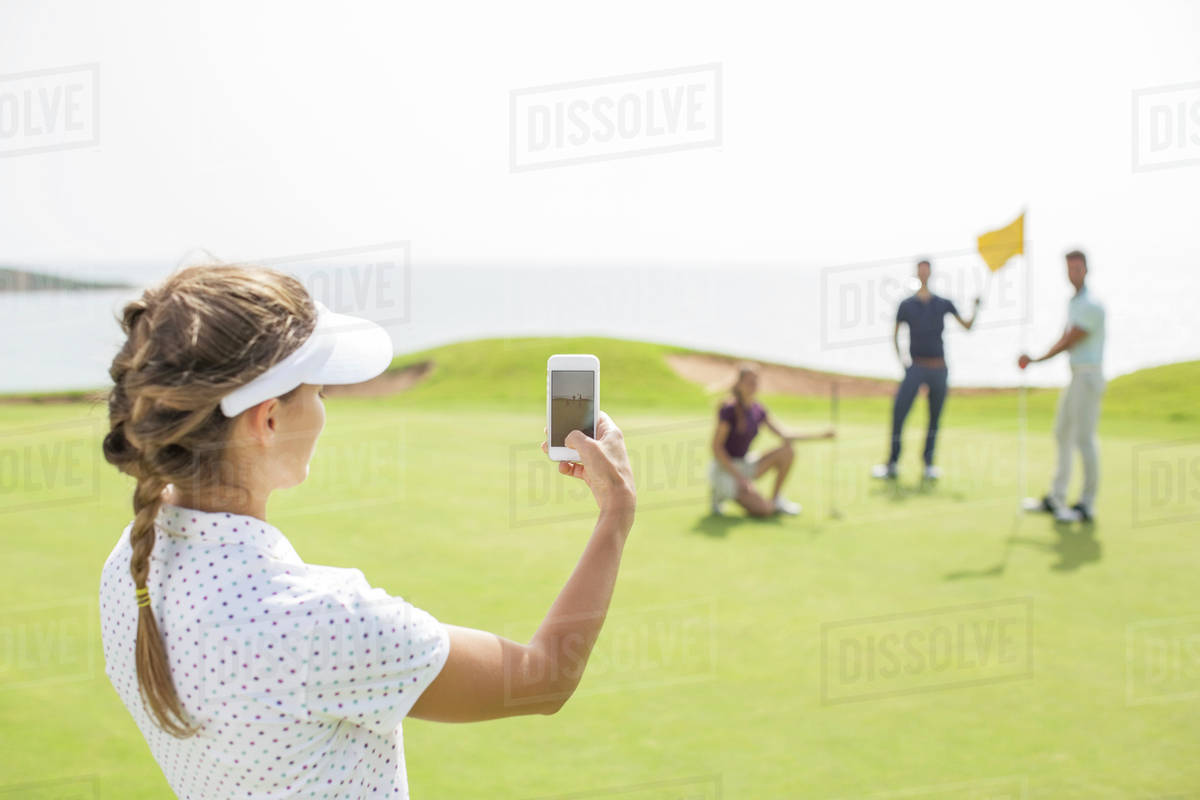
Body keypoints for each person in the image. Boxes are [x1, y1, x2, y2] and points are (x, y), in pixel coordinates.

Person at [98, 265, 637, 798]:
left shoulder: (129, 568)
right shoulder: (322, 619)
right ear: (267, 420)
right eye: (320, 393)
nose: (324, 411)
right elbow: (542, 680)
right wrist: (616, 510)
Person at [1019, 249, 1106, 523]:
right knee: (1062, 433)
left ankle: (1086, 505)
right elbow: (1064, 336)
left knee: (1084, 439)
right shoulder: (1074, 302)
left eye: (1077, 268)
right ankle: (1056, 498)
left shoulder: (1092, 304)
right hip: (1075, 376)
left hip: (1089, 376)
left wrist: (1035, 359)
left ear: (1086, 269)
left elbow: (1070, 340)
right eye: (1069, 269)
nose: (1073, 273)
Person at [872, 259, 979, 480]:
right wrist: (903, 362)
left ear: (930, 273)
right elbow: (895, 334)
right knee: (899, 412)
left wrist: (976, 308)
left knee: (934, 418)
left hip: (939, 368)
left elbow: (967, 326)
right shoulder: (906, 305)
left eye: (926, 270)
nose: (923, 274)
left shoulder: (942, 303)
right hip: (916, 366)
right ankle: (892, 463)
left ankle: (929, 463)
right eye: (920, 270)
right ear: (916, 273)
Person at [709, 363, 834, 517]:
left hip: (744, 464)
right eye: (749, 381)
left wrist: (821, 435)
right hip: (725, 469)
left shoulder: (758, 410)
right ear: (740, 384)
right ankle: (719, 494)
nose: (753, 385)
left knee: (787, 451)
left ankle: (776, 499)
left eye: (756, 381)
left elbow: (785, 434)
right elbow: (716, 448)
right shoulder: (728, 410)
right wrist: (740, 478)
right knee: (765, 510)